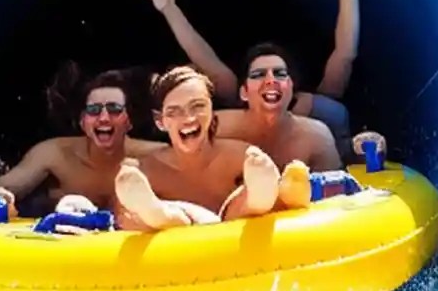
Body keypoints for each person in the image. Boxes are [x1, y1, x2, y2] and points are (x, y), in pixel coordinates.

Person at [138, 0, 361, 142]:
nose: (270, 80)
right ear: (244, 90)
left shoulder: (317, 111)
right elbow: (203, 56)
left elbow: (345, 54)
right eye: (258, 74)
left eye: (279, 73)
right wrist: (169, 8)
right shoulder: (228, 113)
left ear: (292, 85)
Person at [112, 65, 313, 231]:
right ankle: (160, 214)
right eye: (174, 111)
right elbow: (124, 220)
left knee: (251, 200)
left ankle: (267, 196)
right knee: (169, 216)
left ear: (211, 110)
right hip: (181, 247)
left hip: (239, 232)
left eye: (198, 106)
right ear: (160, 121)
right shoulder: (146, 173)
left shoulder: (241, 157)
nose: (188, 118)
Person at [0, 67, 166, 221]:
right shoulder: (53, 154)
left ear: (129, 122)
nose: (104, 118)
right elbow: (0, 190)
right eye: (94, 110)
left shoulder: (153, 156)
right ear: (82, 122)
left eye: (114, 109)